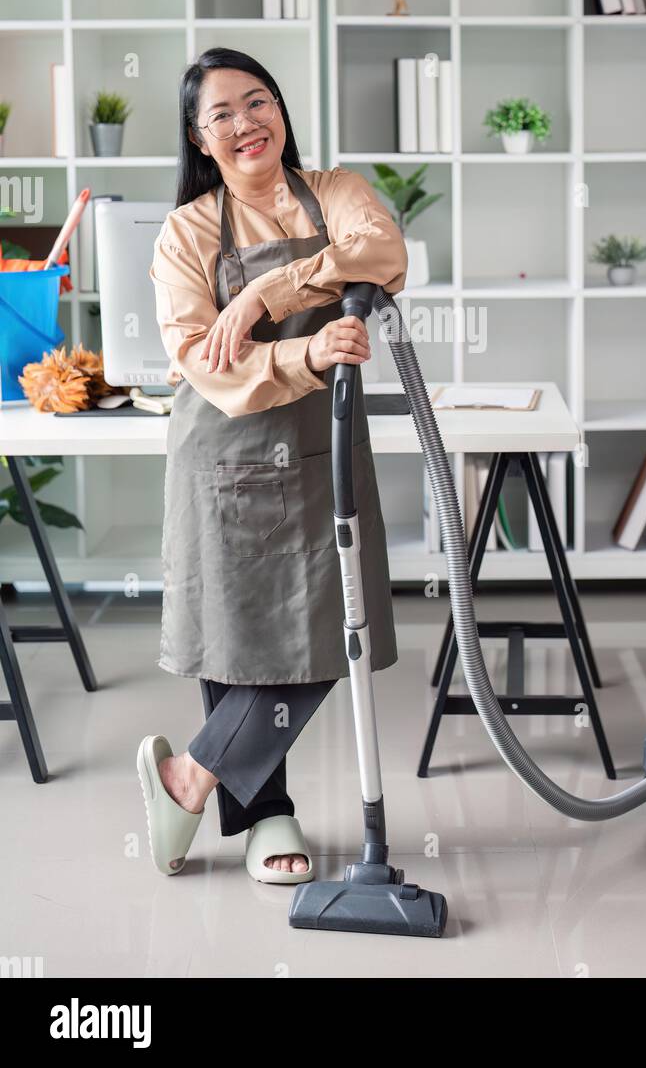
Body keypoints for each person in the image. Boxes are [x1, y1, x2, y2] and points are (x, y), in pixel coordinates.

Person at [136, 46, 407, 885]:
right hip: (227, 450)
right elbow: (198, 359)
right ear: (199, 135)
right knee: (237, 636)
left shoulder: (336, 192)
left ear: (281, 111)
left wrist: (264, 294)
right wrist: (309, 355)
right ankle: (265, 816)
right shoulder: (187, 231)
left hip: (325, 446)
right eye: (223, 113)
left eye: (258, 102)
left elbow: (384, 250)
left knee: (336, 629)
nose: (246, 122)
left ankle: (190, 775)